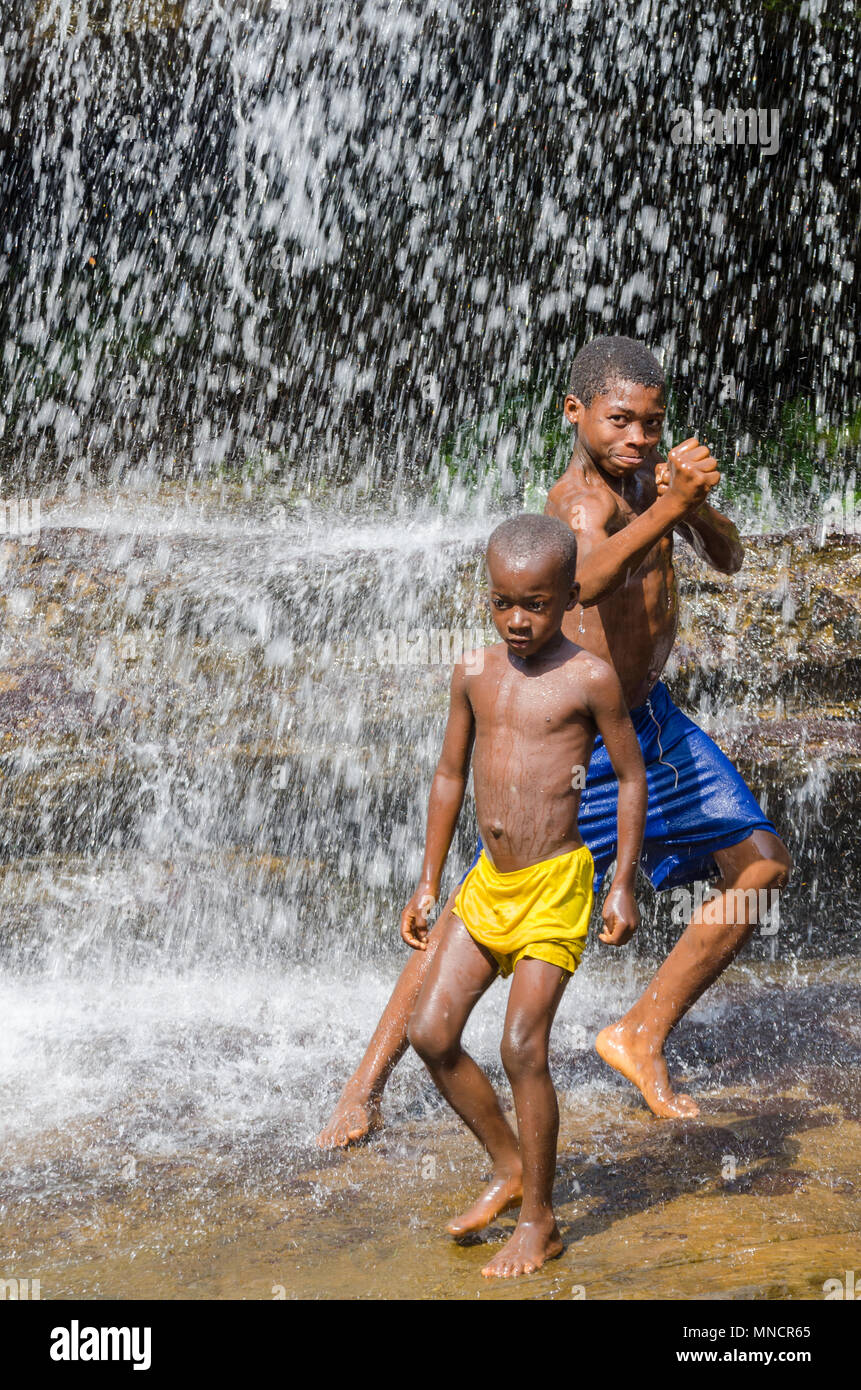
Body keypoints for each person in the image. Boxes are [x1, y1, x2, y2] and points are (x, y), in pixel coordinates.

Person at [317, 335, 792, 1148]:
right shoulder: (578, 500)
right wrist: (669, 508)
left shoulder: (648, 481)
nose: (636, 439)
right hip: (584, 748)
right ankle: (361, 1088)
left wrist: (694, 503)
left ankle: (638, 1032)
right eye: (618, 422)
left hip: (652, 723)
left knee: (759, 866)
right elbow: (586, 579)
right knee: (477, 911)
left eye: (651, 423)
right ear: (574, 414)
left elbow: (731, 557)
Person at [403, 513, 647, 1277]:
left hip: (555, 887)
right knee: (430, 1034)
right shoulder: (473, 671)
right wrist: (427, 877)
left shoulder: (588, 678)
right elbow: (448, 776)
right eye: (503, 601)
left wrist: (623, 882)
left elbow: (632, 777)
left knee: (520, 1047)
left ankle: (539, 1222)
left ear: (569, 596)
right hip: (488, 884)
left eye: (535, 604)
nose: (517, 619)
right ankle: (510, 1166)